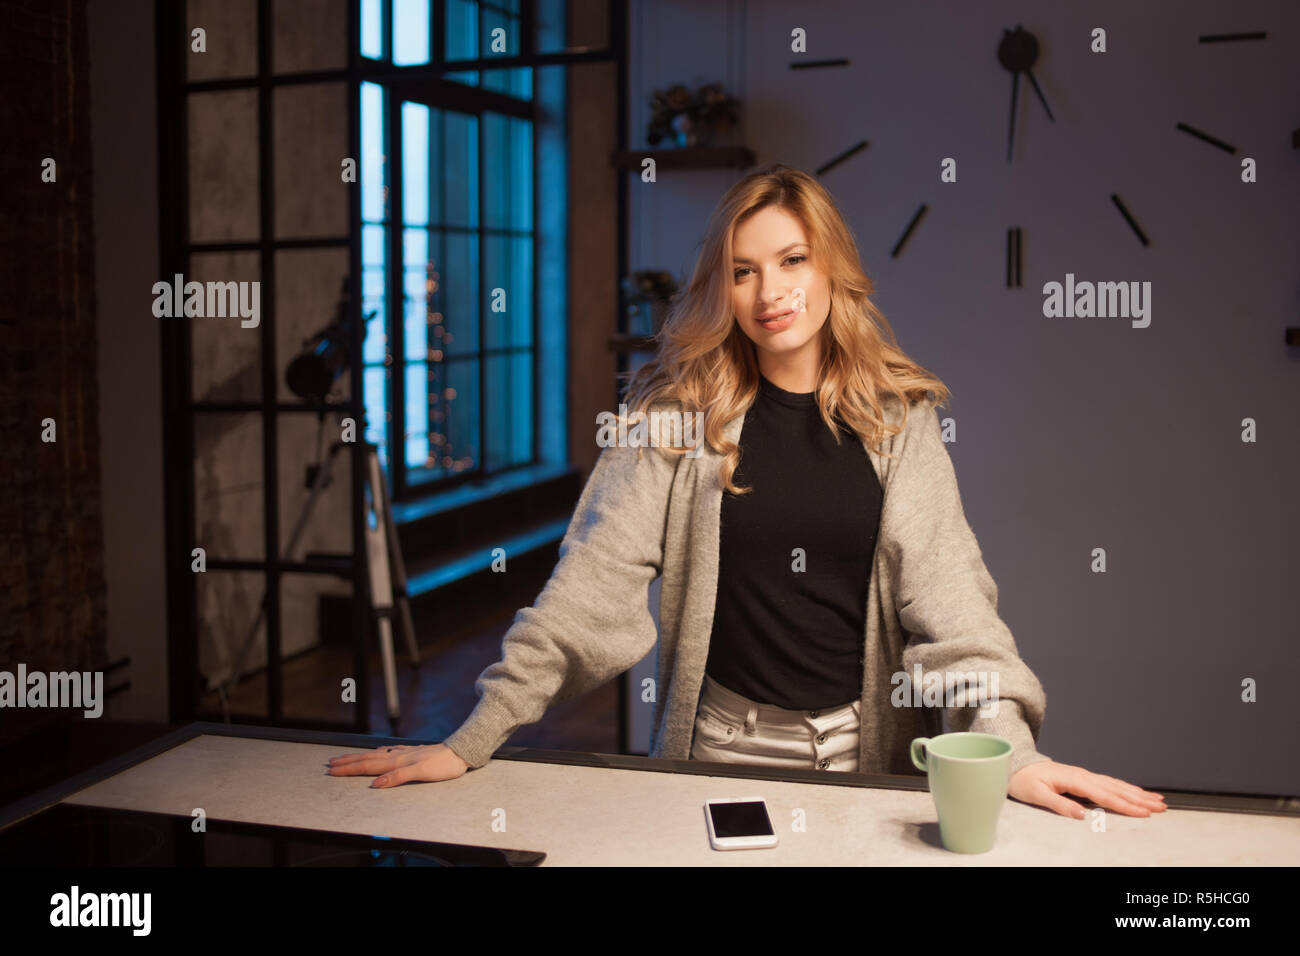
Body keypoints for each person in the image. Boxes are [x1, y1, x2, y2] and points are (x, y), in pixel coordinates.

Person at [329, 164, 1165, 821]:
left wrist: (1009, 751)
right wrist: (475, 737)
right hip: (717, 752)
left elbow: (954, 609)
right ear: (721, 288)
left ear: (832, 266)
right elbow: (587, 591)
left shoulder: (900, 424)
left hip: (867, 761)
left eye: (793, 260)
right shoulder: (672, 418)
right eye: (743, 271)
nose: (771, 294)